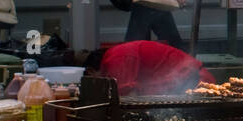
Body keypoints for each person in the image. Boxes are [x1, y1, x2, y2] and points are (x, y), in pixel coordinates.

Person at [82, 42, 214, 96]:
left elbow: (124, 94)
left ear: (91, 71)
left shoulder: (115, 59)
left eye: (93, 80)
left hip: (197, 83)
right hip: (187, 83)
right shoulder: (116, 55)